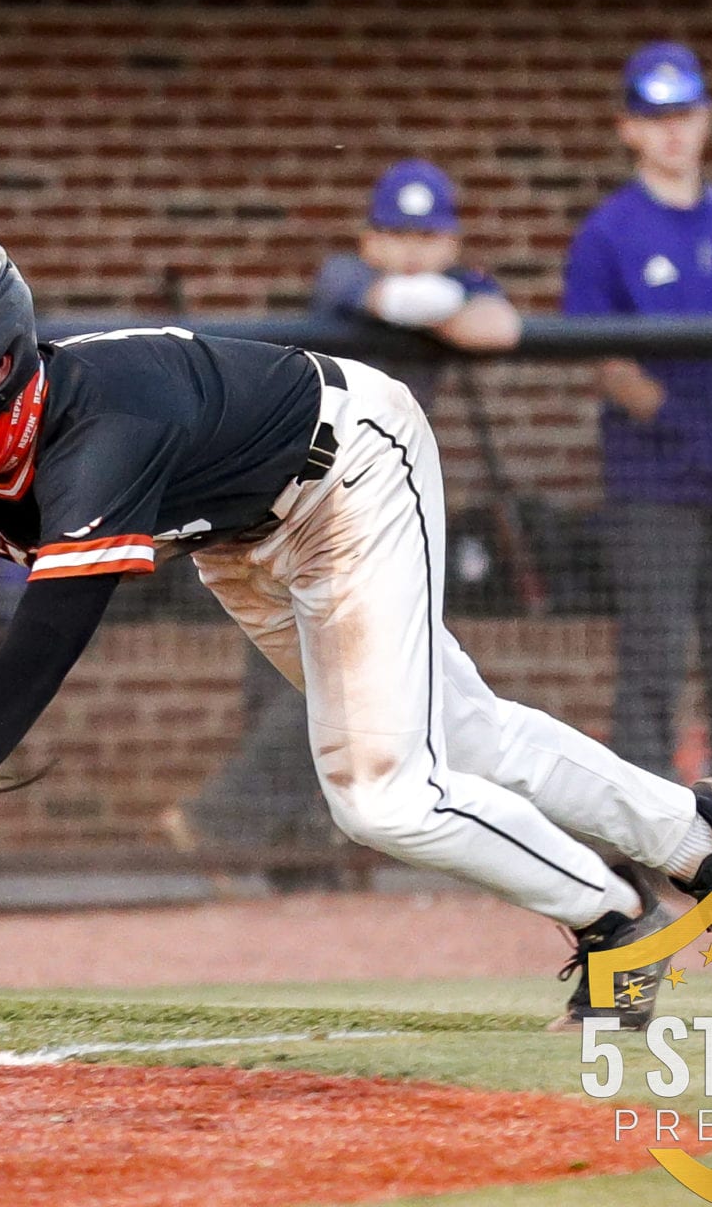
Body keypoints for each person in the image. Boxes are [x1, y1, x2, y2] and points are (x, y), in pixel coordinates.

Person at [0, 228, 712, 1034]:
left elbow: (48, 635)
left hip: (348, 466)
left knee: (381, 793)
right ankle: (697, 835)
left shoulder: (98, 425)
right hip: (240, 533)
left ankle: (613, 918)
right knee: (459, 737)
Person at [162, 159, 521, 874]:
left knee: (337, 674)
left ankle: (284, 853)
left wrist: (452, 302)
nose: (411, 250)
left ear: (452, 241)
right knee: (299, 675)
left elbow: (501, 327)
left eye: (428, 235)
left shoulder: (459, 285)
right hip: (286, 495)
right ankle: (232, 826)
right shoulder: (342, 277)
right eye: (396, 234)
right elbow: (394, 301)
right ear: (368, 238)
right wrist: (444, 305)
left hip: (364, 510)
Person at [563, 43, 712, 820]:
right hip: (656, 484)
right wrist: (671, 418)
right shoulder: (608, 231)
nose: (672, 131)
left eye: (685, 114)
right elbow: (603, 356)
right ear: (628, 128)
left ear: (706, 120)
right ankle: (643, 846)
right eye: (655, 116)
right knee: (653, 666)